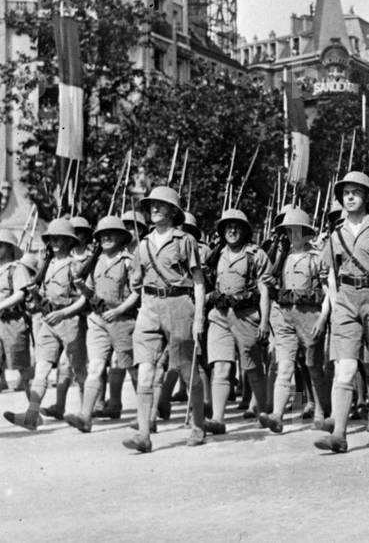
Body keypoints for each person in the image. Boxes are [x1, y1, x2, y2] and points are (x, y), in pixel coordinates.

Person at [315, 171, 369, 454]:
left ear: (367, 197)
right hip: (346, 300)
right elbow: (330, 272)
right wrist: (334, 303)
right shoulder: (336, 234)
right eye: (346, 193)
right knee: (345, 366)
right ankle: (339, 434)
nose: (350, 197)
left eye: (355, 192)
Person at [121, 186, 207, 453]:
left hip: (179, 305)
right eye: (151, 205)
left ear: (173, 211)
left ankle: (198, 425)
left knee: (186, 370)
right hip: (149, 307)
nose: (154, 209)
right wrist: (136, 281)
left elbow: (199, 282)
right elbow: (136, 281)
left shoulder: (185, 241)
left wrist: (199, 317)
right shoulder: (143, 244)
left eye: (161, 205)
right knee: (145, 370)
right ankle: (144, 435)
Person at [4, 219, 87, 430]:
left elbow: (84, 299)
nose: (55, 243)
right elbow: (41, 298)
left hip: (70, 320)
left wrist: (63, 313)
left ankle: (86, 414)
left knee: (78, 369)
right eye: (52, 239)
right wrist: (35, 294)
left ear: (70, 241)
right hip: (48, 321)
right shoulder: (46, 265)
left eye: (60, 239)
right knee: (41, 368)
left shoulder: (75, 266)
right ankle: (32, 415)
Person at [64, 216, 139, 432]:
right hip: (97, 320)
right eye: (102, 235)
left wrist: (119, 310)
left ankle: (147, 415)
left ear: (121, 237)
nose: (106, 238)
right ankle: (85, 416)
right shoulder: (95, 261)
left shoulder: (128, 261)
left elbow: (137, 292)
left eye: (111, 234)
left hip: (123, 320)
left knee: (132, 368)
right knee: (95, 366)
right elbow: (89, 293)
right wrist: (81, 286)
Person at [260, 208, 331, 434]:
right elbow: (269, 285)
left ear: (305, 232)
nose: (292, 235)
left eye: (296, 231)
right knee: (285, 366)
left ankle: (321, 412)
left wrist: (323, 318)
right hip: (285, 315)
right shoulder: (282, 257)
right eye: (288, 231)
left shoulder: (317, 257)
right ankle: (277, 415)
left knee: (313, 367)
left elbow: (328, 291)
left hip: (310, 316)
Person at [204, 208, 271, 436]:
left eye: (236, 227)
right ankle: (218, 419)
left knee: (252, 369)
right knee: (221, 367)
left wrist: (264, 322)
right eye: (228, 227)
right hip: (220, 316)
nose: (232, 231)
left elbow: (264, 290)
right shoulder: (215, 255)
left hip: (246, 316)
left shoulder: (256, 255)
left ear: (245, 230)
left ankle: (263, 411)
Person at [0, 229, 32, 398]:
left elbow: (21, 294)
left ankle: (33, 407)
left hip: (14, 320)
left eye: (0, 245)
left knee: (22, 367)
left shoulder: (17, 268)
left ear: (9, 247)